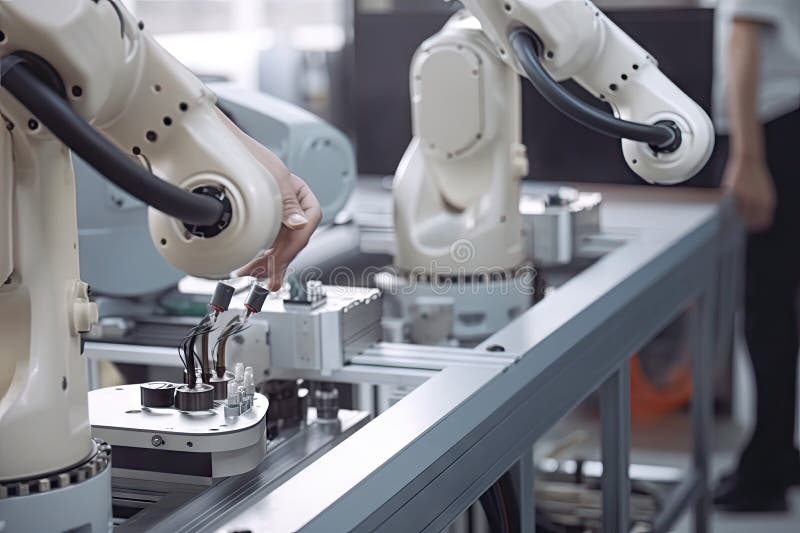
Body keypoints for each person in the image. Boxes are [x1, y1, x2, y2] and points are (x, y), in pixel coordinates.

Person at [712, 0, 800, 512]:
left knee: (766, 308)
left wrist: (748, 159)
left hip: (773, 127)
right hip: (778, 124)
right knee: (775, 308)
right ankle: (776, 451)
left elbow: (744, 34)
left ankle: (766, 469)